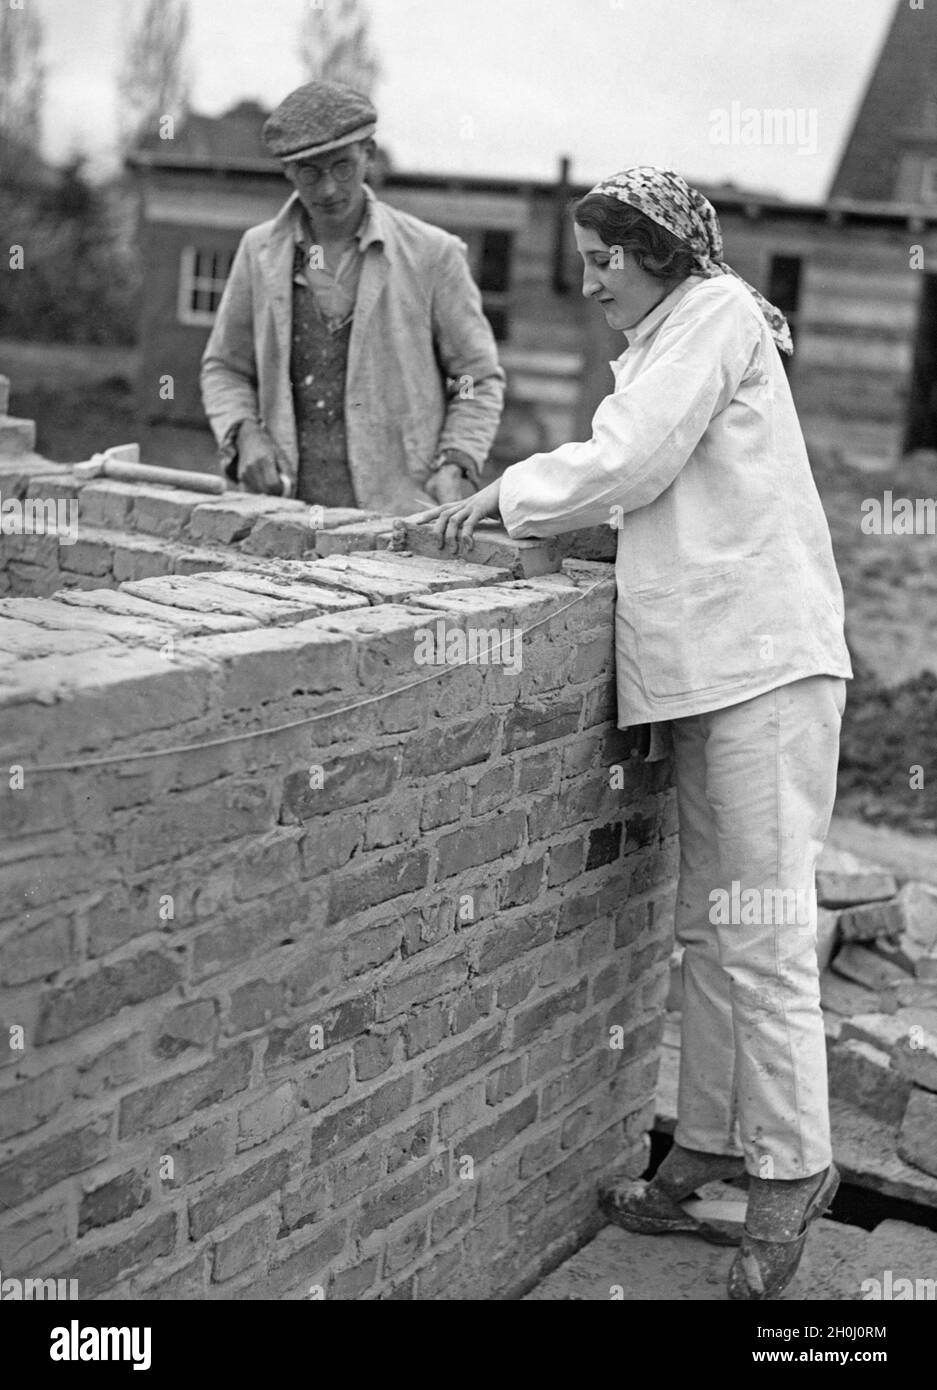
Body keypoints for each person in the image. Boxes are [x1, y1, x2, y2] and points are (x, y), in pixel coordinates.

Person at [409, 166, 853, 1302]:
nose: (591, 275)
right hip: (716, 671)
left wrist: (507, 493)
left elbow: (631, 461)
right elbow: (654, 495)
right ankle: (703, 1151)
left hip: (763, 665)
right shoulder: (665, 339)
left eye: (607, 255)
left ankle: (793, 1168)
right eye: (587, 256)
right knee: (708, 932)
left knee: (756, 934)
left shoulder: (710, 316)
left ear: (658, 251)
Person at [200, 80, 505, 515]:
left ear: (370, 154)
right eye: (309, 172)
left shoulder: (432, 255)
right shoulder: (258, 252)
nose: (327, 189)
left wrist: (456, 460)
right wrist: (244, 433)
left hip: (398, 519)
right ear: (288, 172)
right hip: (279, 515)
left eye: (342, 166)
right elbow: (224, 368)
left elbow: (477, 378)